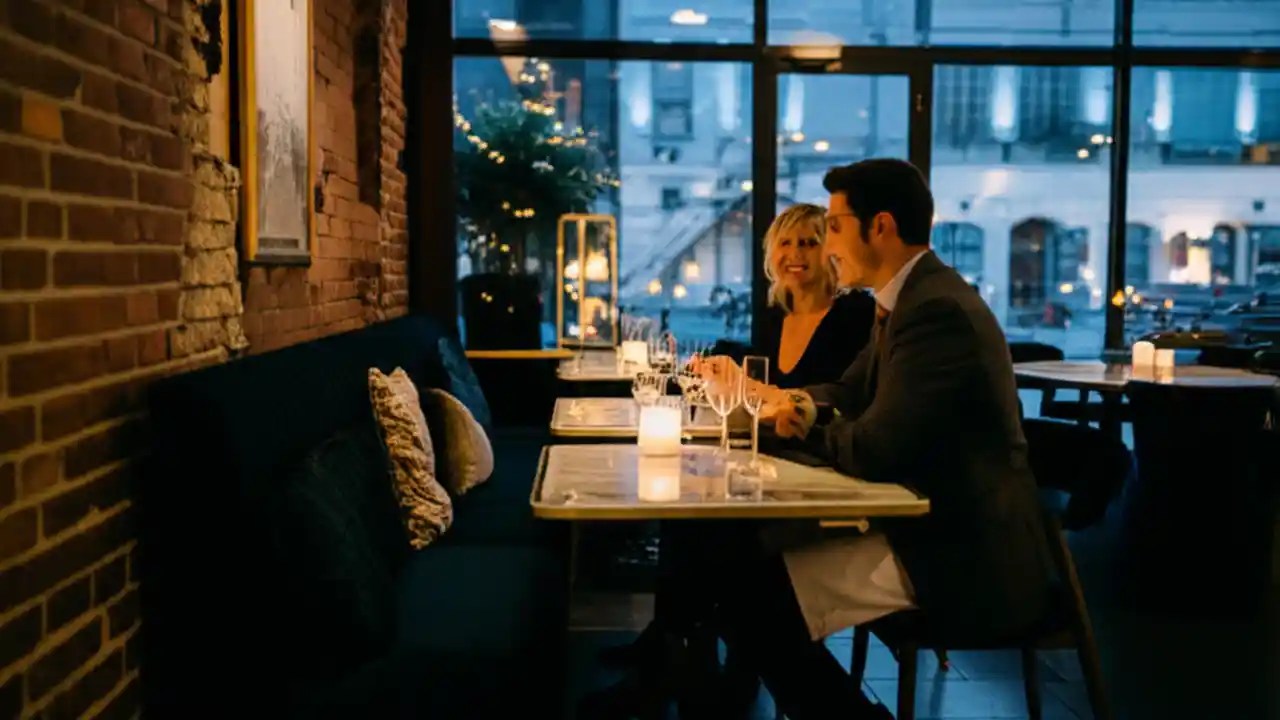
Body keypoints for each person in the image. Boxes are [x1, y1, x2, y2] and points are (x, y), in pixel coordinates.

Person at [704, 158, 1055, 720]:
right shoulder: (906, 299)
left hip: (962, 554)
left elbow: (874, 449)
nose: (828, 244)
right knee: (737, 566)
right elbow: (845, 389)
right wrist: (797, 403)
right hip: (925, 524)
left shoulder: (933, 310)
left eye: (836, 226)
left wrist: (801, 424)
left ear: (881, 227)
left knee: (749, 595)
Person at [580, 205, 876, 717]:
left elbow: (831, 400)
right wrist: (728, 379)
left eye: (809, 243)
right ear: (770, 255)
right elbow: (761, 396)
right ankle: (680, 658)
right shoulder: (776, 316)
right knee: (688, 503)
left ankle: (680, 664)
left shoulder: (853, 315)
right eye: (785, 244)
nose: (796, 255)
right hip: (772, 456)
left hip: (820, 465)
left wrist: (752, 391)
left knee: (711, 529)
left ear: (831, 253)